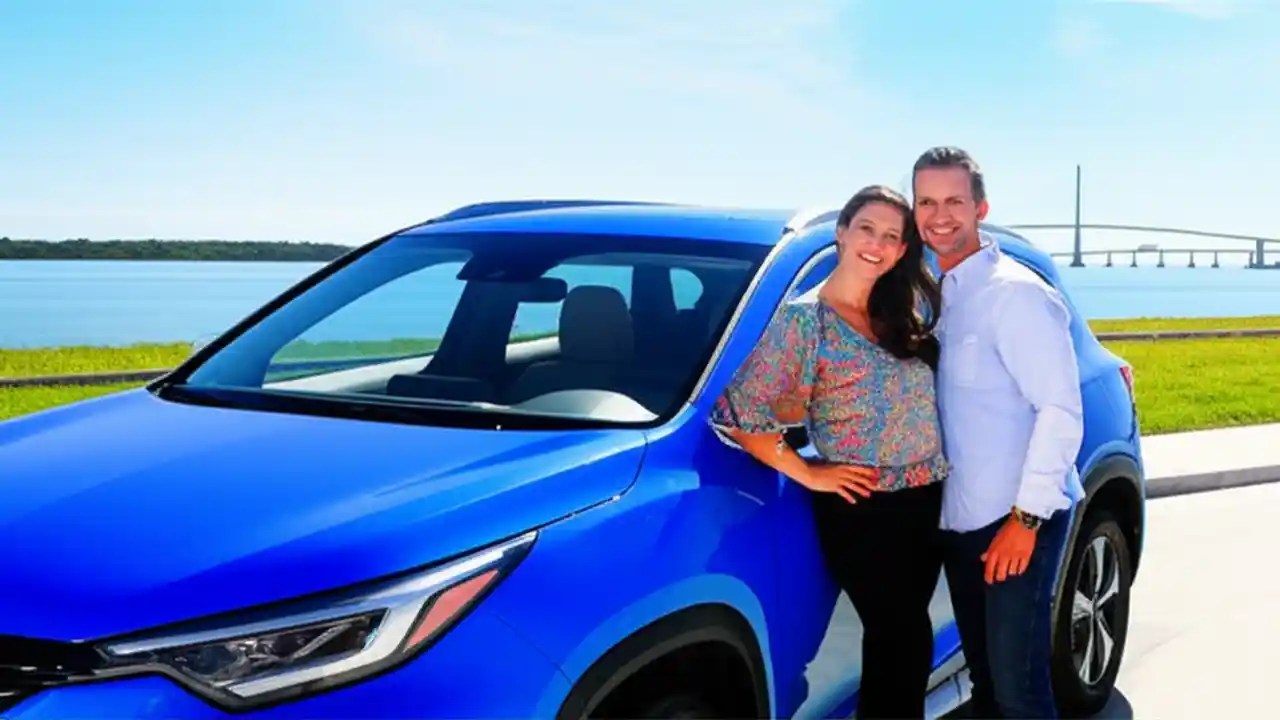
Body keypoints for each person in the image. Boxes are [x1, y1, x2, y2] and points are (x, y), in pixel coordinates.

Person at [709, 184, 948, 719]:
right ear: (842, 234)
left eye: (892, 236)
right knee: (901, 636)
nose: (877, 244)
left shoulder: (900, 310)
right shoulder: (804, 320)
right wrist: (807, 473)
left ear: (902, 249)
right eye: (867, 229)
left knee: (903, 640)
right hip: (863, 508)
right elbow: (740, 409)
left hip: (925, 500)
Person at [910, 146, 1085, 719]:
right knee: (986, 686)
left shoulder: (1015, 294)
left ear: (981, 207)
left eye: (954, 201)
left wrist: (1025, 522)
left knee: (1020, 692)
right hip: (961, 521)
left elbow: (1060, 409)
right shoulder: (938, 296)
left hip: (1014, 523)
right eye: (927, 202)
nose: (940, 215)